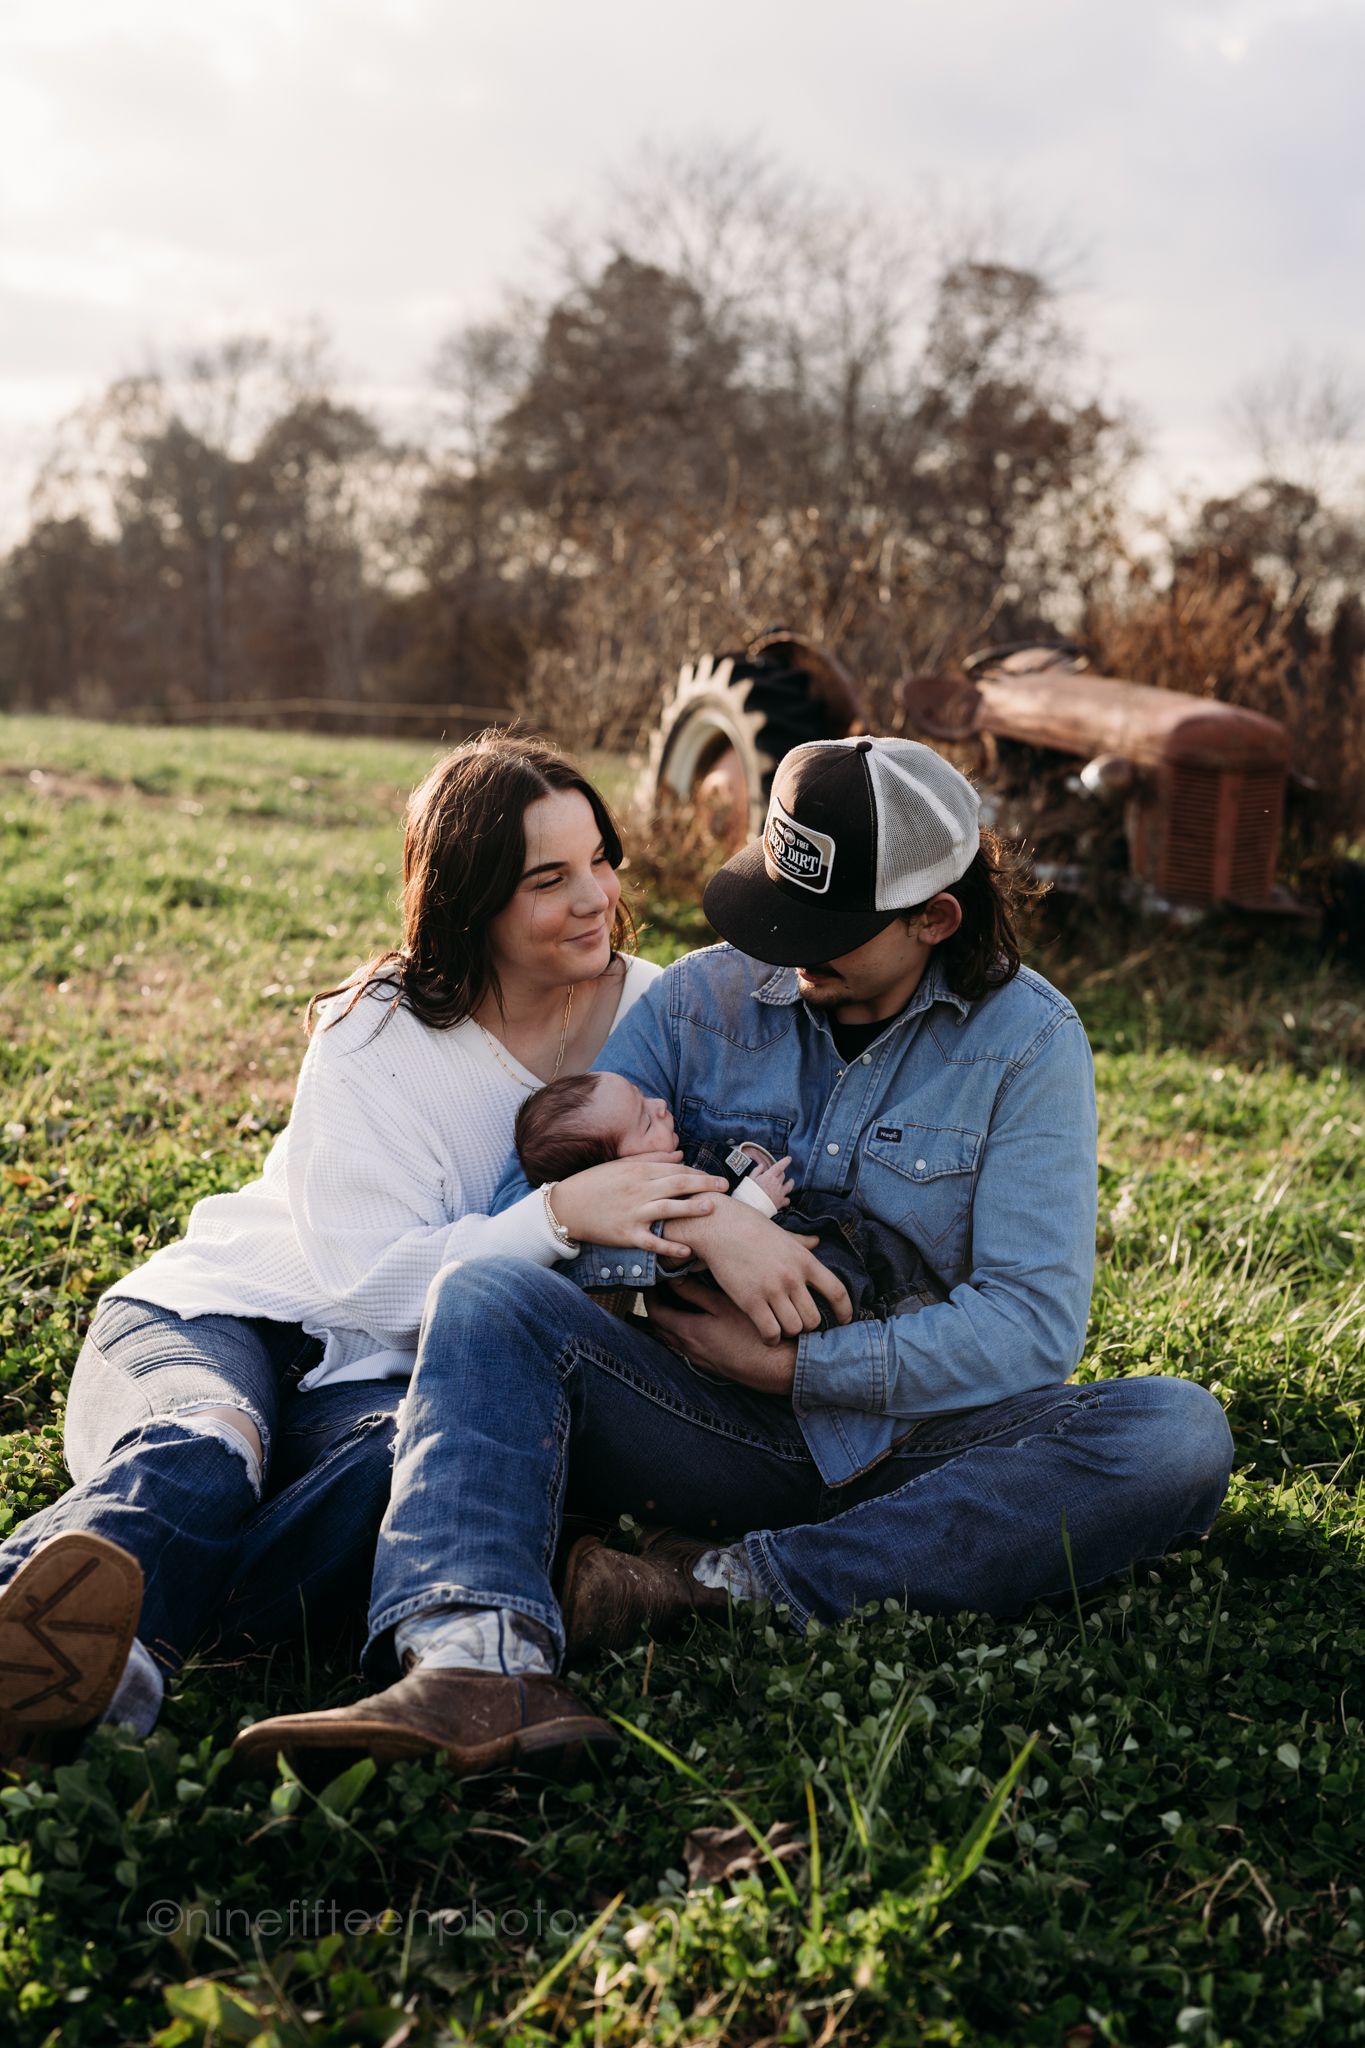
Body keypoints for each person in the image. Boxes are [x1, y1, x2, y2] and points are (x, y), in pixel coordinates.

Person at [232, 735, 1235, 1782]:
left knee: (1176, 1433)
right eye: (776, 907)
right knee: (487, 1289)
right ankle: (476, 1661)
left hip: (913, 1446)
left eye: (826, 929)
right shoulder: (695, 1002)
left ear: (934, 918)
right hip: (696, 1420)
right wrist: (707, 1220)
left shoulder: (1029, 1044)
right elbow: (528, 1215)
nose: (786, 952)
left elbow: (1029, 1328)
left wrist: (803, 1368)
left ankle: (710, 1582)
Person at [0, 734, 726, 1767]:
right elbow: (368, 1285)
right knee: (216, 1446)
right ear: (471, 898)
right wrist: (559, 1212)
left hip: (390, 1389)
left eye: (600, 859)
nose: (597, 897)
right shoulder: (377, 1029)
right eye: (549, 878)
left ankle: (109, 1649)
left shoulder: (657, 1013)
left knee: (413, 1479)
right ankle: (67, 1640)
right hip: (228, 1313)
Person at [514, 1069, 947, 1330]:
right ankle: (886, 1313)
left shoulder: (675, 1153)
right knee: (836, 1277)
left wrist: (745, 1162)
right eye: (646, 1121)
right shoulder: (650, 1205)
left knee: (871, 1244)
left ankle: (910, 1301)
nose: (662, 1104)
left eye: (645, 1097)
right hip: (769, 1281)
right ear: (617, 1170)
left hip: (807, 1227)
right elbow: (688, 1256)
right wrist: (753, 1200)